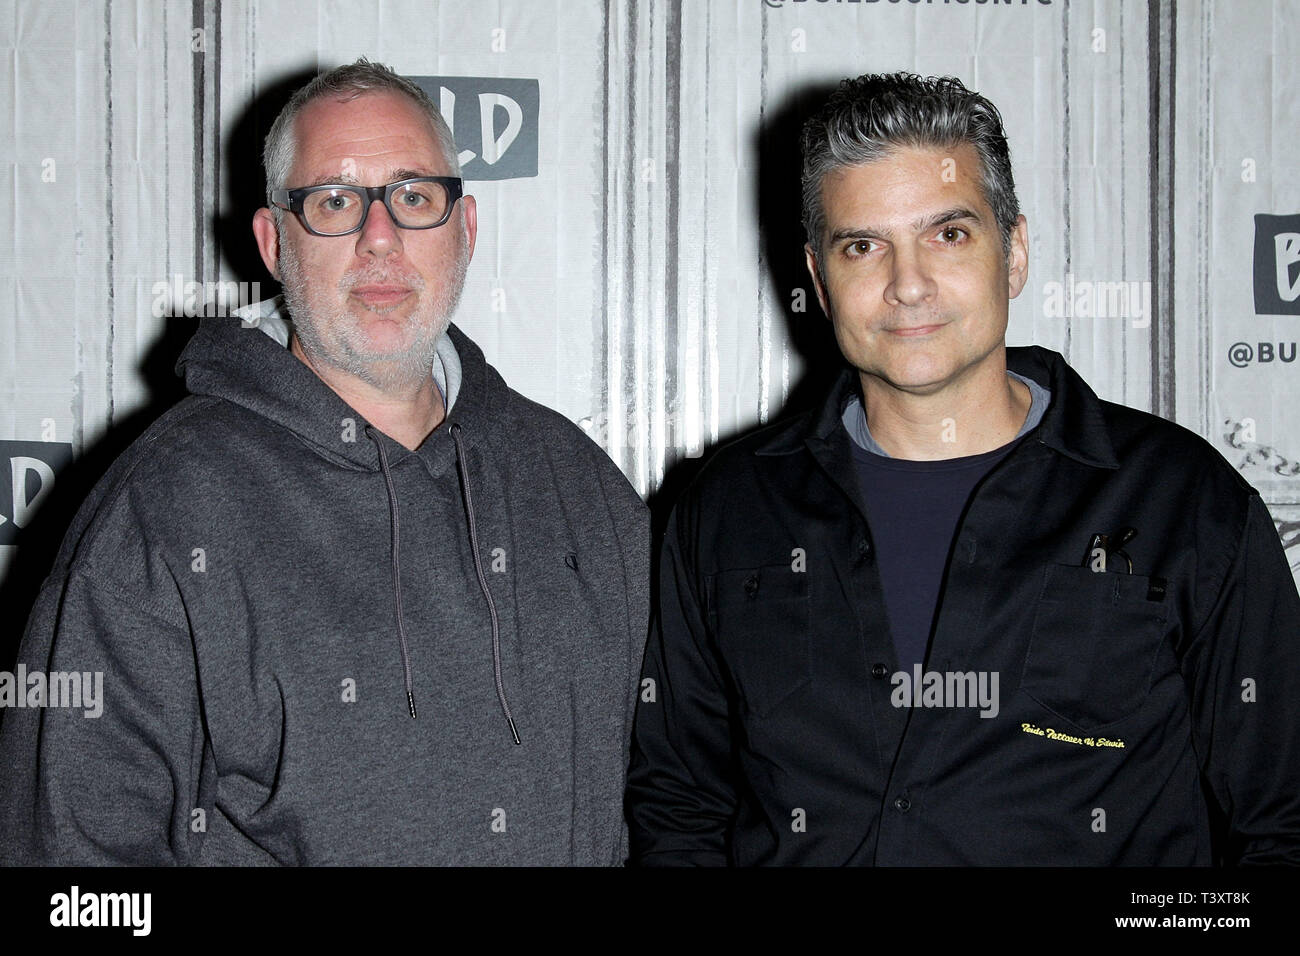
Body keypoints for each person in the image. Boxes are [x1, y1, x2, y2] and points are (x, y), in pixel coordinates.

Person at [625, 72, 1300, 866]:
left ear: (1012, 252)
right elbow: (679, 809)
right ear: (818, 277)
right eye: (863, 245)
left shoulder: (1183, 500)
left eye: (948, 234)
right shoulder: (728, 509)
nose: (907, 286)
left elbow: (1282, 821)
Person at [0, 58, 648, 865]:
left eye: (414, 197)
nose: (380, 237)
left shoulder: (582, 488)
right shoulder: (160, 510)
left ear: (466, 229)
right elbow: (73, 874)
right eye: (335, 202)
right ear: (274, 242)